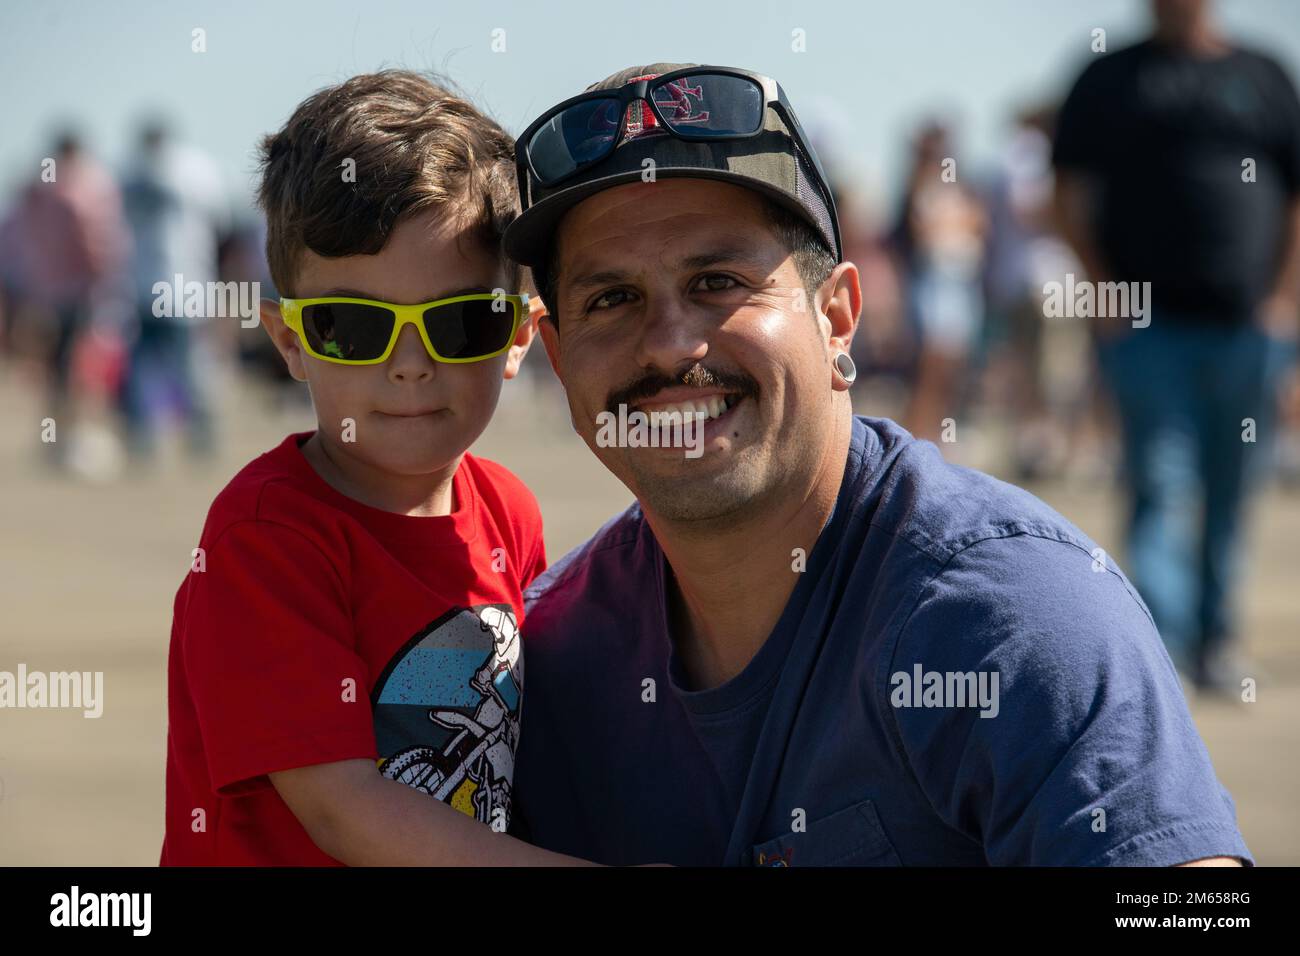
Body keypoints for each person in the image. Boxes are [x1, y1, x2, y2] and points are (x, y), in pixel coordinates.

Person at [504, 62, 1251, 866]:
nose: (669, 344)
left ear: (838, 319)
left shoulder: (1003, 615)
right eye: (610, 300)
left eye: (718, 282)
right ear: (556, 351)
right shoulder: (546, 652)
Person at [161, 71, 583, 866]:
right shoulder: (266, 540)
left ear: (522, 335)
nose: (411, 365)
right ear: (290, 342)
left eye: (462, 322)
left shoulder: (508, 513)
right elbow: (344, 811)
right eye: (355, 328)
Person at [1053, 0, 1300, 692]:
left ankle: (1218, 639)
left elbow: (1293, 197)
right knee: (1159, 481)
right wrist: (1103, 296)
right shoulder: (1111, 79)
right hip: (1145, 328)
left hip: (1250, 328)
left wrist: (1284, 302)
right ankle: (1163, 648)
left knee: (1231, 487)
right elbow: (1067, 192)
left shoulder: (1264, 76)